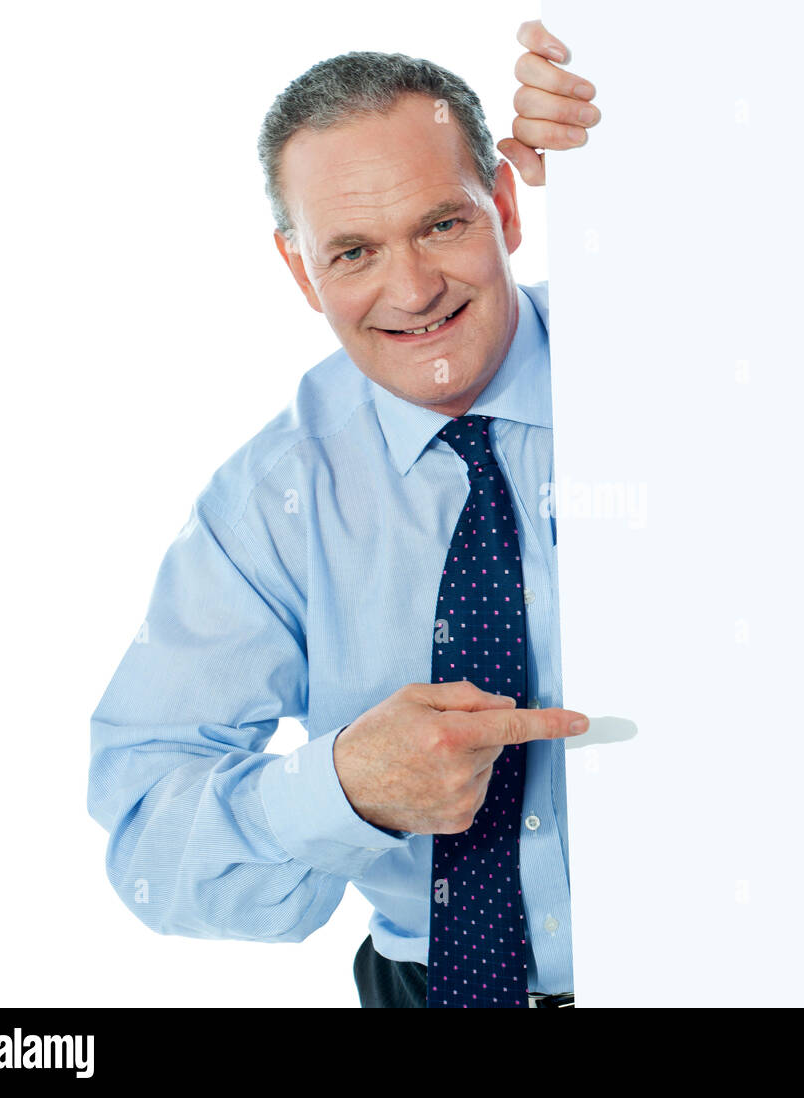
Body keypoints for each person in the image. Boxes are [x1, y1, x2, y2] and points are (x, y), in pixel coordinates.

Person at [87, 20, 600, 1009]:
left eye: (442, 224)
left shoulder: (683, 368)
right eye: (355, 251)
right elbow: (147, 842)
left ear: (503, 204)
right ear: (299, 271)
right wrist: (344, 791)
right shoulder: (269, 505)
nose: (411, 291)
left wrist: (661, 132)